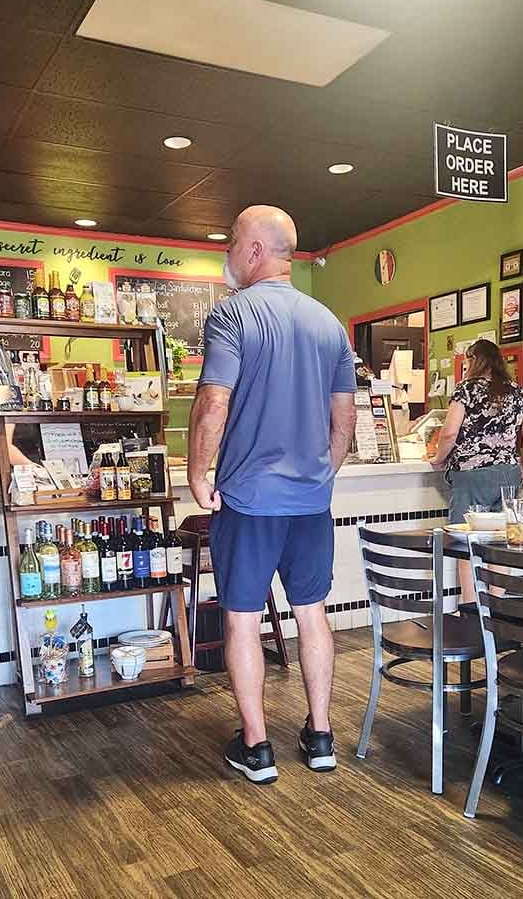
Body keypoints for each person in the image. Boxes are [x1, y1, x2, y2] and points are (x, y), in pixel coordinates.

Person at [188, 205, 357, 785]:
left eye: (233, 240)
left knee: (241, 621)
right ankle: (321, 734)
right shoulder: (329, 324)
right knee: (313, 614)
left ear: (255, 249)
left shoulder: (232, 317)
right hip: (311, 504)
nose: (229, 251)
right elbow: (346, 420)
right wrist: (320, 474)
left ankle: (257, 747)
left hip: (251, 500)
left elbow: (213, 403)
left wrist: (197, 471)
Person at [431, 339, 523, 600]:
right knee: (501, 540)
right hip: (507, 473)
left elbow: (449, 433)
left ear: (473, 360)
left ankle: (470, 607)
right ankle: (496, 605)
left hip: (470, 475)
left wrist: (438, 458)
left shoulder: (466, 390)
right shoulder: (517, 392)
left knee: (466, 541)